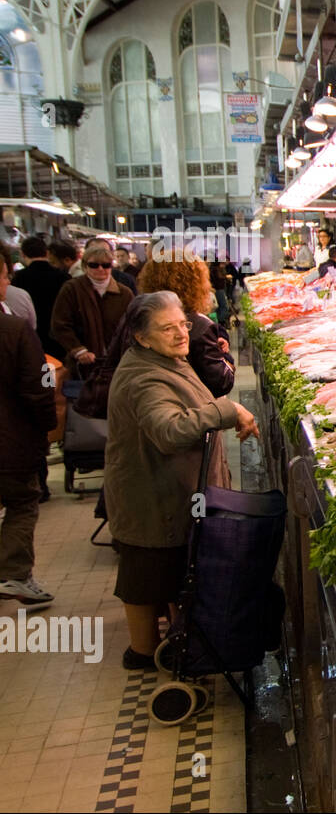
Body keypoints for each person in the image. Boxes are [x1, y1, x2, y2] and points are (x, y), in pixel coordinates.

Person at [105, 291, 259, 669]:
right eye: (166, 328)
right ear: (141, 337)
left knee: (174, 570)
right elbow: (169, 430)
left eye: (182, 324)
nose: (180, 334)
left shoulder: (163, 359)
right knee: (150, 571)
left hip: (170, 492)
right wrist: (229, 409)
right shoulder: (145, 378)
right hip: (154, 496)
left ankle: (180, 636)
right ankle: (144, 653)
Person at [0, 307, 56, 609]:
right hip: (11, 441)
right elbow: (42, 381)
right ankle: (14, 573)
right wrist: (48, 422)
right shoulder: (15, 329)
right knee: (21, 503)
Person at [137, 251, 235, 397]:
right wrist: (225, 358)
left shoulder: (141, 319)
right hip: (196, 408)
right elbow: (221, 382)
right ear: (195, 282)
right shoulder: (198, 324)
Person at [50, 237, 134, 372]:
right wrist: (78, 350)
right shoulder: (71, 289)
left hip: (117, 364)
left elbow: (132, 326)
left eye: (106, 265)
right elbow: (60, 325)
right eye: (94, 265)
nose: (100, 269)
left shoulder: (125, 293)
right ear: (85, 265)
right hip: (81, 366)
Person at [11, 234, 68, 358]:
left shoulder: (18, 278)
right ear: (47, 253)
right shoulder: (64, 277)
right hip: (60, 338)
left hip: (33, 339)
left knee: (41, 373)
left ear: (23, 254)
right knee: (57, 372)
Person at [0, 249, 37, 330]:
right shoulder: (20, 295)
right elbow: (32, 327)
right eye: (5, 277)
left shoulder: (4, 307)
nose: (8, 282)